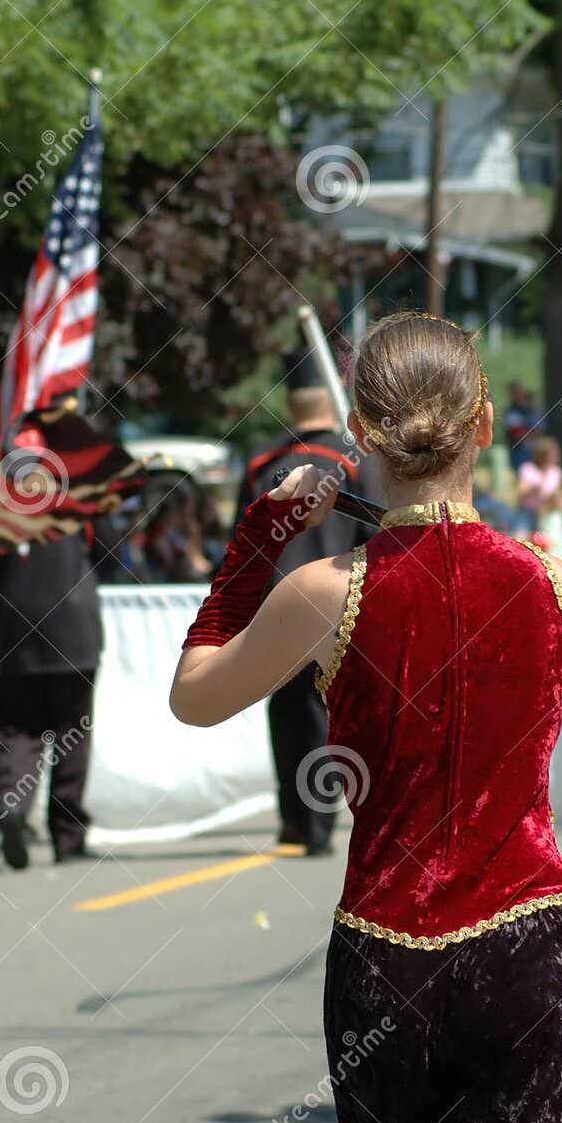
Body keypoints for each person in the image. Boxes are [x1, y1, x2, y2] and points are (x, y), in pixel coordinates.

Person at [171, 312, 562, 1123]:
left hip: (386, 966)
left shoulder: (325, 593)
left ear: (360, 428)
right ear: (480, 423)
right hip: (533, 955)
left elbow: (194, 695)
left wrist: (249, 549)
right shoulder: (561, 590)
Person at [235, 355, 381, 856]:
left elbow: (243, 539)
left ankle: (293, 819)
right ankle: (320, 822)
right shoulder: (351, 463)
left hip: (275, 605)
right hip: (339, 603)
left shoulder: (259, 462)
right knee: (327, 712)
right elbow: (372, 534)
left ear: (290, 404)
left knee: (285, 709)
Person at [0, 519, 101, 870]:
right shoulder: (81, 484)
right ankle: (67, 834)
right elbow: (110, 549)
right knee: (72, 730)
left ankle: (12, 802)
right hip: (73, 621)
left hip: (17, 621)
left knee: (21, 727)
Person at [515, 435, 562, 562]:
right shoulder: (529, 469)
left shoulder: (556, 472)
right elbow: (521, 492)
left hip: (547, 513)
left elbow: (558, 499)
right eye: (553, 453)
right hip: (528, 511)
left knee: (551, 545)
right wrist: (535, 485)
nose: (556, 456)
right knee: (520, 540)